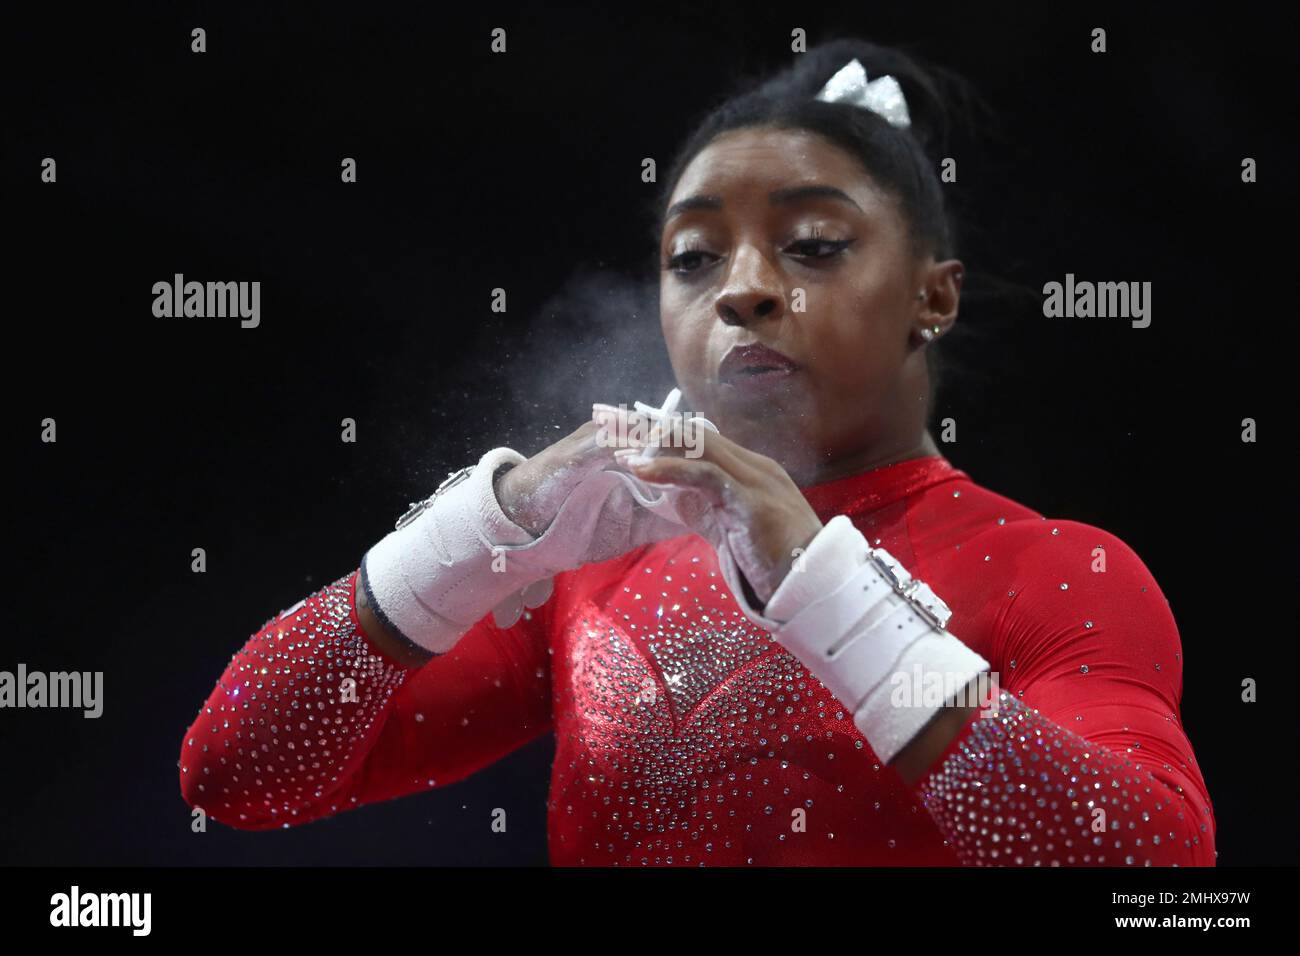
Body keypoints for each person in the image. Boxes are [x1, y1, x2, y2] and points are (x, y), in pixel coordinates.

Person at [178, 38, 1215, 866]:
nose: (741, 288)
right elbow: (234, 775)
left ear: (930, 294)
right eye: (692, 255)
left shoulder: (1055, 570)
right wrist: (484, 528)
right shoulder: (596, 573)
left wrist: (830, 596)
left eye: (813, 243)